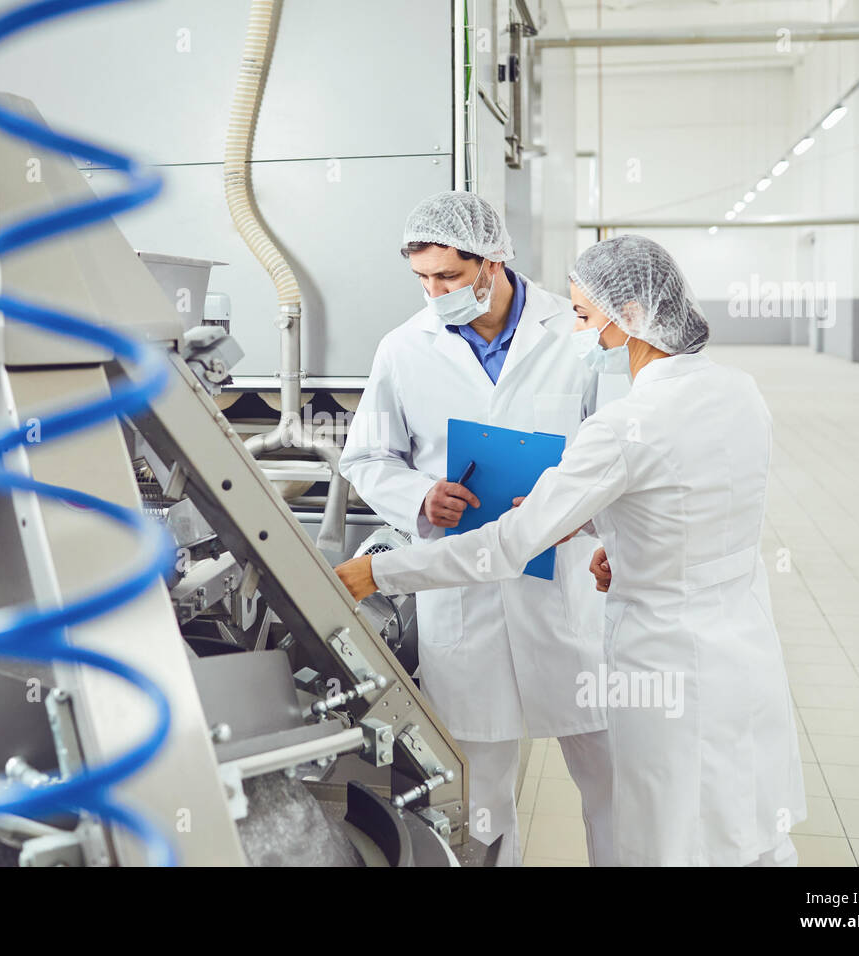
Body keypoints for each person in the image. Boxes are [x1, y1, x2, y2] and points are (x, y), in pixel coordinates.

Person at [337, 234, 807, 867]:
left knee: (661, 832)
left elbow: (503, 548)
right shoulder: (737, 389)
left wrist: (378, 572)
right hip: (740, 647)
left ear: (633, 315)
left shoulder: (623, 425)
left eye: (586, 316)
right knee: (742, 825)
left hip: (659, 653)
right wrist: (615, 533)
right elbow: (691, 496)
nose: (579, 331)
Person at [339, 191, 627, 866]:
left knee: (609, 771)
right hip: (461, 590)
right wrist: (419, 498)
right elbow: (365, 457)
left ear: (492, 263)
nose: (434, 293)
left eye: (448, 276)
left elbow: (620, 446)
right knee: (481, 790)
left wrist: (571, 503)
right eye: (422, 279)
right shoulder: (404, 348)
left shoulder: (577, 334)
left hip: (563, 581)